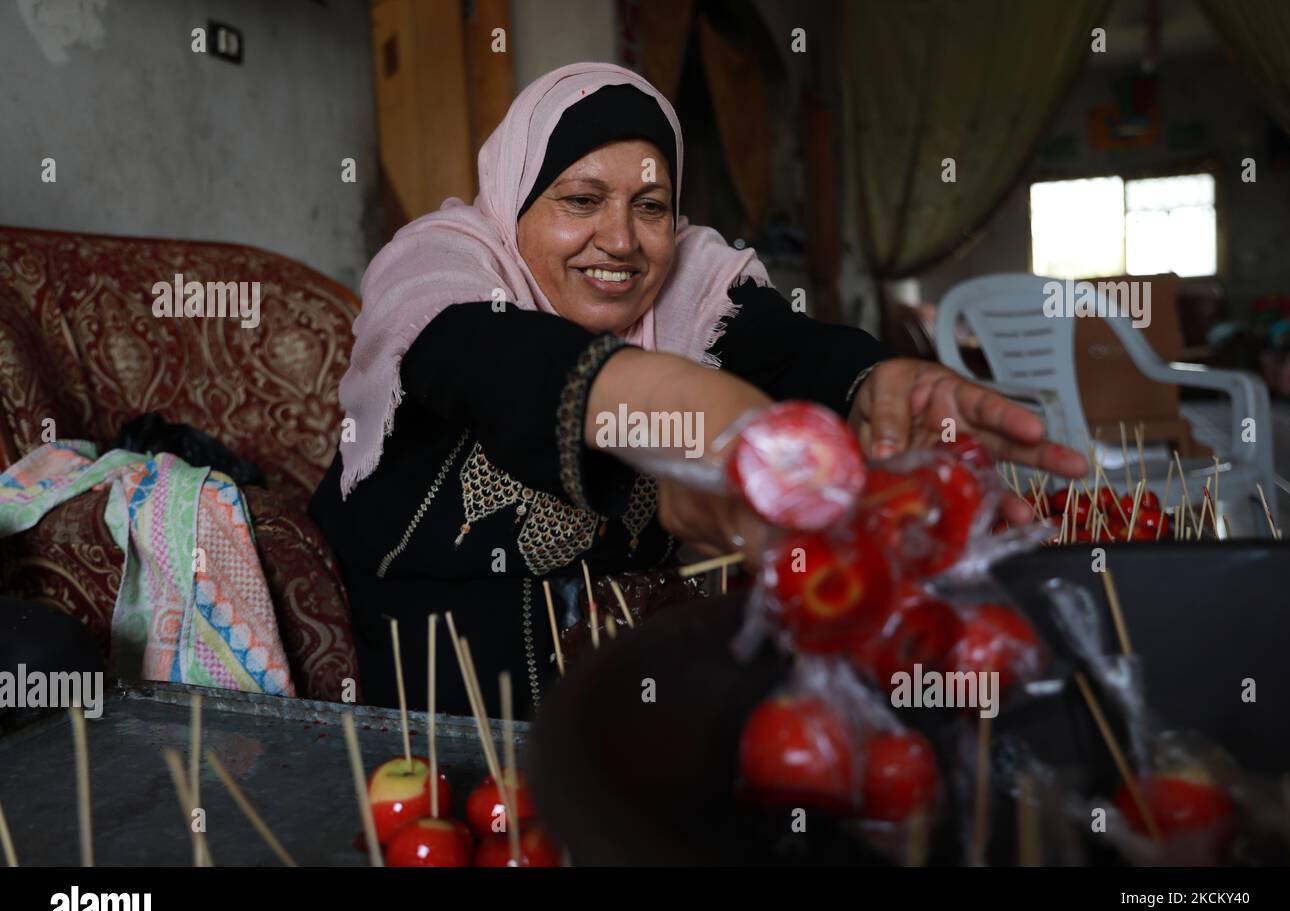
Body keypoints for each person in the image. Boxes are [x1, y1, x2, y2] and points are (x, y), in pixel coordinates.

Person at [308, 62, 1086, 719]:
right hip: (429, 698)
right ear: (516, 199)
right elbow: (492, 356)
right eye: (580, 200)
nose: (621, 240)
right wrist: (691, 409)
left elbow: (791, 350)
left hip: (622, 689)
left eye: (650, 207)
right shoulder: (438, 266)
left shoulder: (689, 280)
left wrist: (881, 382)